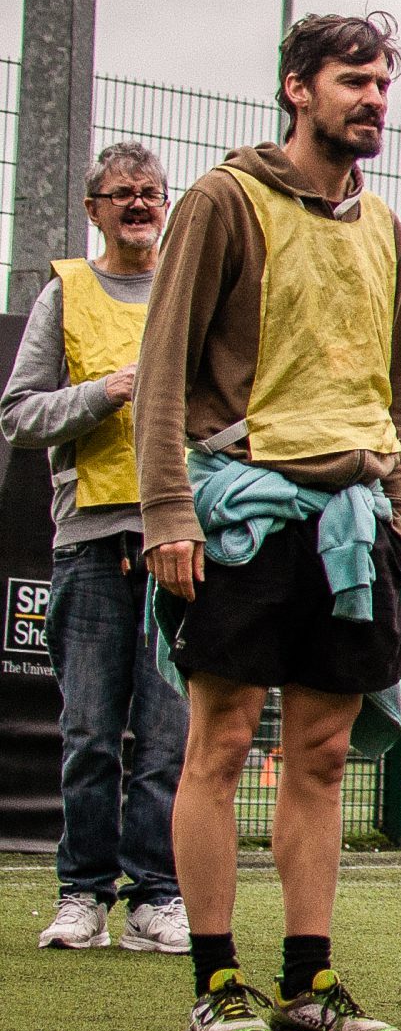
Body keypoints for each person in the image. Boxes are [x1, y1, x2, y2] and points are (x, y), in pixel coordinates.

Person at [134, 13, 401, 1031]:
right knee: (217, 740)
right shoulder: (222, 199)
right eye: (355, 80)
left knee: (326, 751)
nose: (375, 99)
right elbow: (161, 372)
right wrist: (168, 511)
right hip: (241, 514)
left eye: (384, 83)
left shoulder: (383, 224)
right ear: (297, 87)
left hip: (354, 523)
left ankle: (310, 980)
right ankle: (216, 981)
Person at [3, 142, 189, 954]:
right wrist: (107, 390)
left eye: (151, 192)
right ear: (94, 210)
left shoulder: (192, 288)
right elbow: (19, 414)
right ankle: (83, 894)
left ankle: (158, 895)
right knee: (87, 732)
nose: (140, 205)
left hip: (178, 537)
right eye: (123, 194)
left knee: (168, 733)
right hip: (87, 540)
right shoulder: (65, 292)